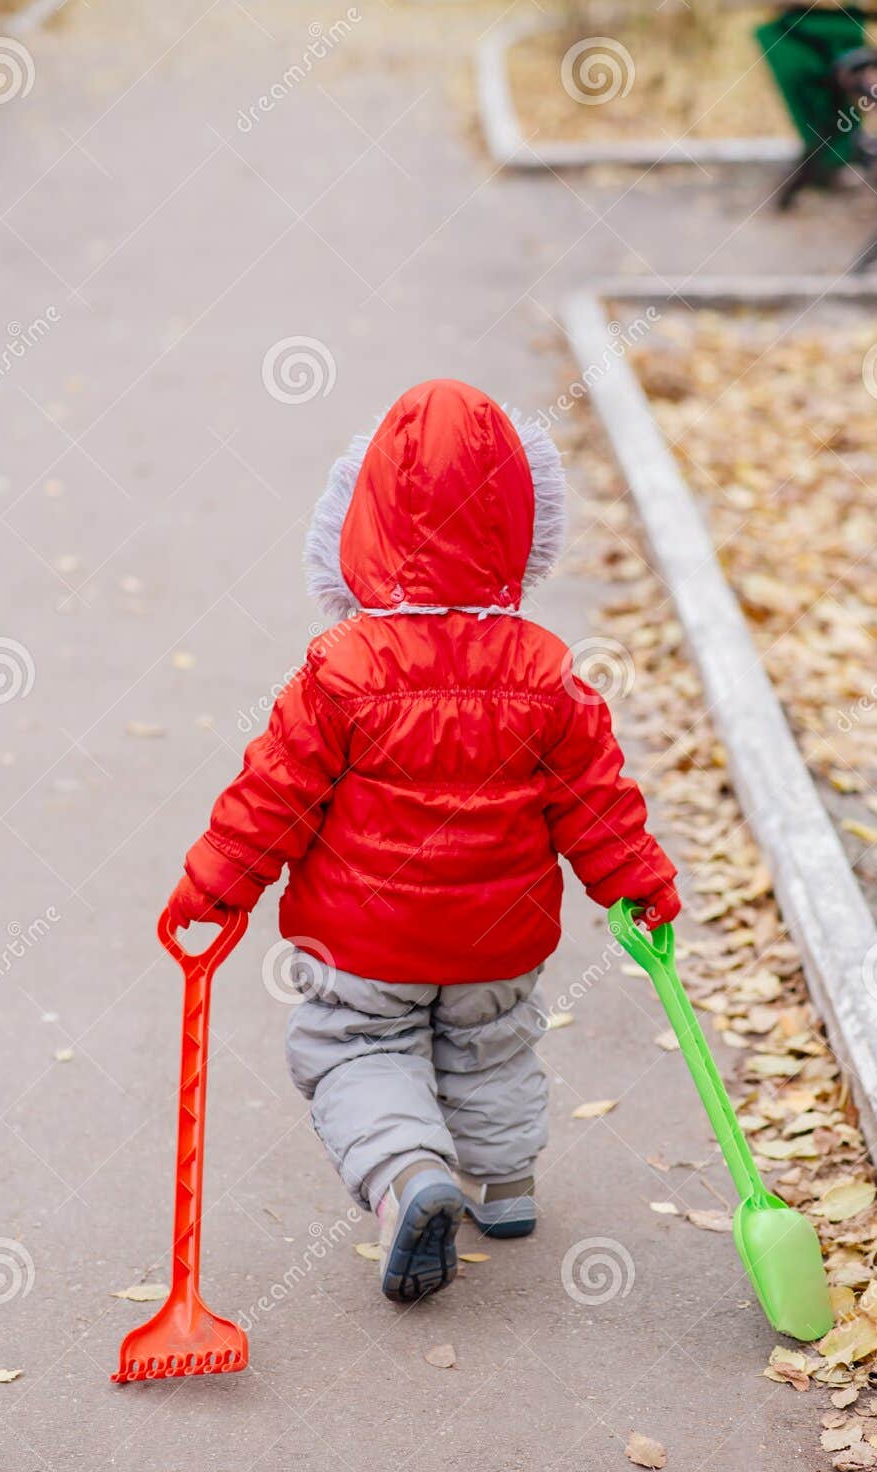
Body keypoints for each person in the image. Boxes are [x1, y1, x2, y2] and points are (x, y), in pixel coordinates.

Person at [167, 379, 679, 1303]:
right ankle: (506, 1183)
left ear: (361, 523)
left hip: (366, 942)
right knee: (494, 1043)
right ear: (521, 525)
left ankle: (408, 1173)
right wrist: (635, 883)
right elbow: (595, 800)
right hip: (499, 935)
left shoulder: (339, 670)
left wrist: (215, 888)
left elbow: (273, 795)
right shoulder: (547, 671)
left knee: (356, 1049)